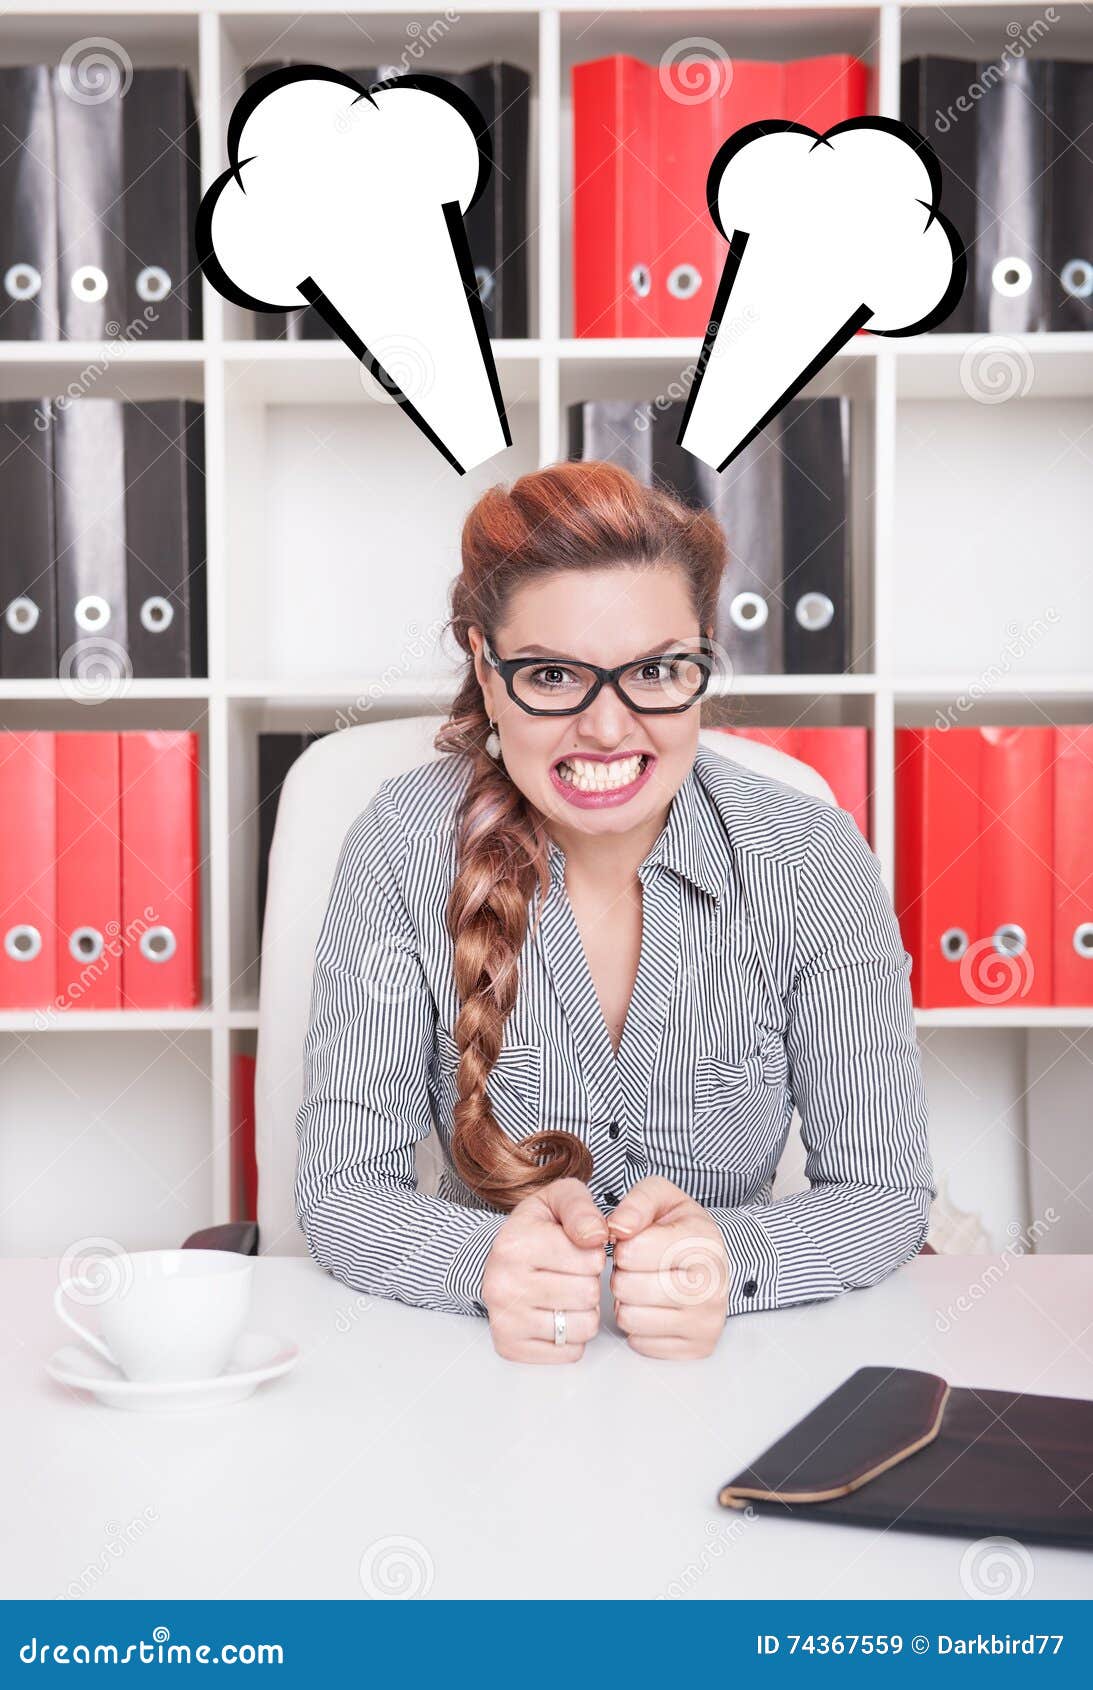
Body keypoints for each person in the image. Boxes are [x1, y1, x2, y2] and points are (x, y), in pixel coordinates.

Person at [295, 460, 934, 1364]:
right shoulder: (401, 846)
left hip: (722, 1368)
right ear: (485, 666)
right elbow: (339, 1191)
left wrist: (730, 1257)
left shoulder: (809, 855)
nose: (606, 729)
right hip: (476, 1374)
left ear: (703, 657)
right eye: (553, 676)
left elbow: (885, 1192)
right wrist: (486, 1260)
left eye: (655, 671)